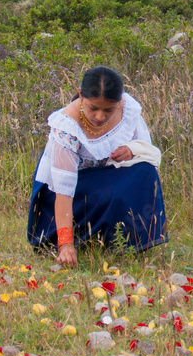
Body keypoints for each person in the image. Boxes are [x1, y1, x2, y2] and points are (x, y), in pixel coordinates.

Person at [27, 66, 168, 267]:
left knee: (145, 172)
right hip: (69, 196)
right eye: (93, 108)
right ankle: (85, 238)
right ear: (80, 96)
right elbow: (63, 192)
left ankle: (131, 240)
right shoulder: (67, 128)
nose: (100, 117)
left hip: (105, 181)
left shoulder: (128, 110)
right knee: (112, 190)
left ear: (119, 101)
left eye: (108, 110)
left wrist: (130, 149)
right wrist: (65, 245)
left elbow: (147, 149)